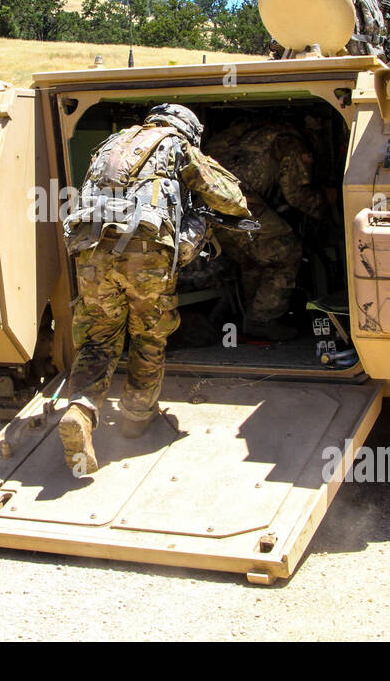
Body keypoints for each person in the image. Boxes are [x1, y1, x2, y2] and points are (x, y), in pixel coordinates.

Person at [58, 104, 250, 474]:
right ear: (188, 130)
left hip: (91, 253)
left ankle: (80, 411)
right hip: (144, 255)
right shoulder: (175, 146)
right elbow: (229, 198)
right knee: (148, 335)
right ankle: (136, 420)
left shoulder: (111, 144)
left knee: (98, 339)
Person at [205, 117, 331, 340]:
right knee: (286, 250)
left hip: (204, 203)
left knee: (254, 259)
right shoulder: (290, 142)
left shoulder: (247, 131)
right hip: (236, 201)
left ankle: (251, 317)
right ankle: (263, 320)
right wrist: (327, 206)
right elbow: (297, 195)